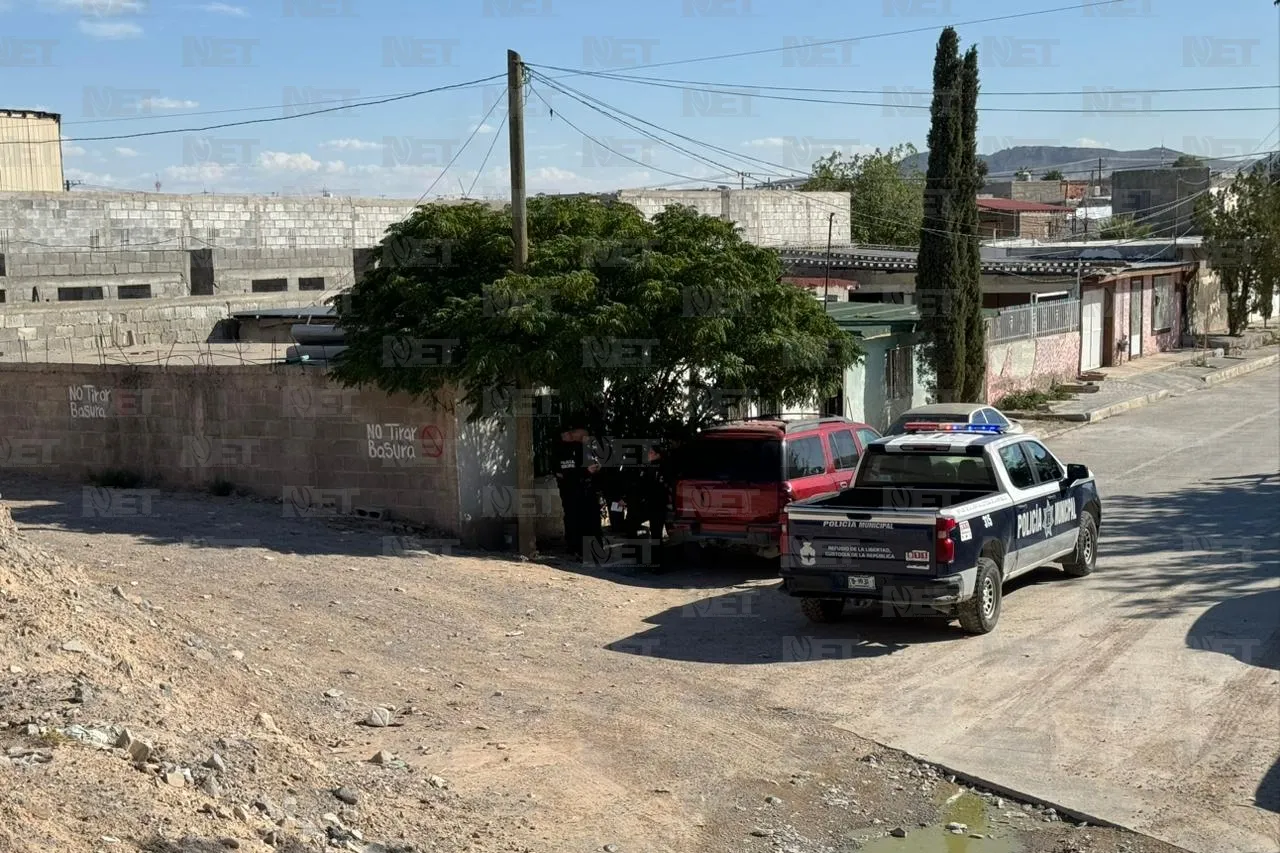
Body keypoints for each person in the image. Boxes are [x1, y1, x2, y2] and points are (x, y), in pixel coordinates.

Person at [554, 422, 603, 559]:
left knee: (591, 520)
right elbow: (565, 472)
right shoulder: (562, 450)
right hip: (572, 491)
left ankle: (594, 550)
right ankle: (577, 549)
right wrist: (585, 471)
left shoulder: (588, 447)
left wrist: (595, 469)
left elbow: (597, 465)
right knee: (575, 520)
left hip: (588, 490)